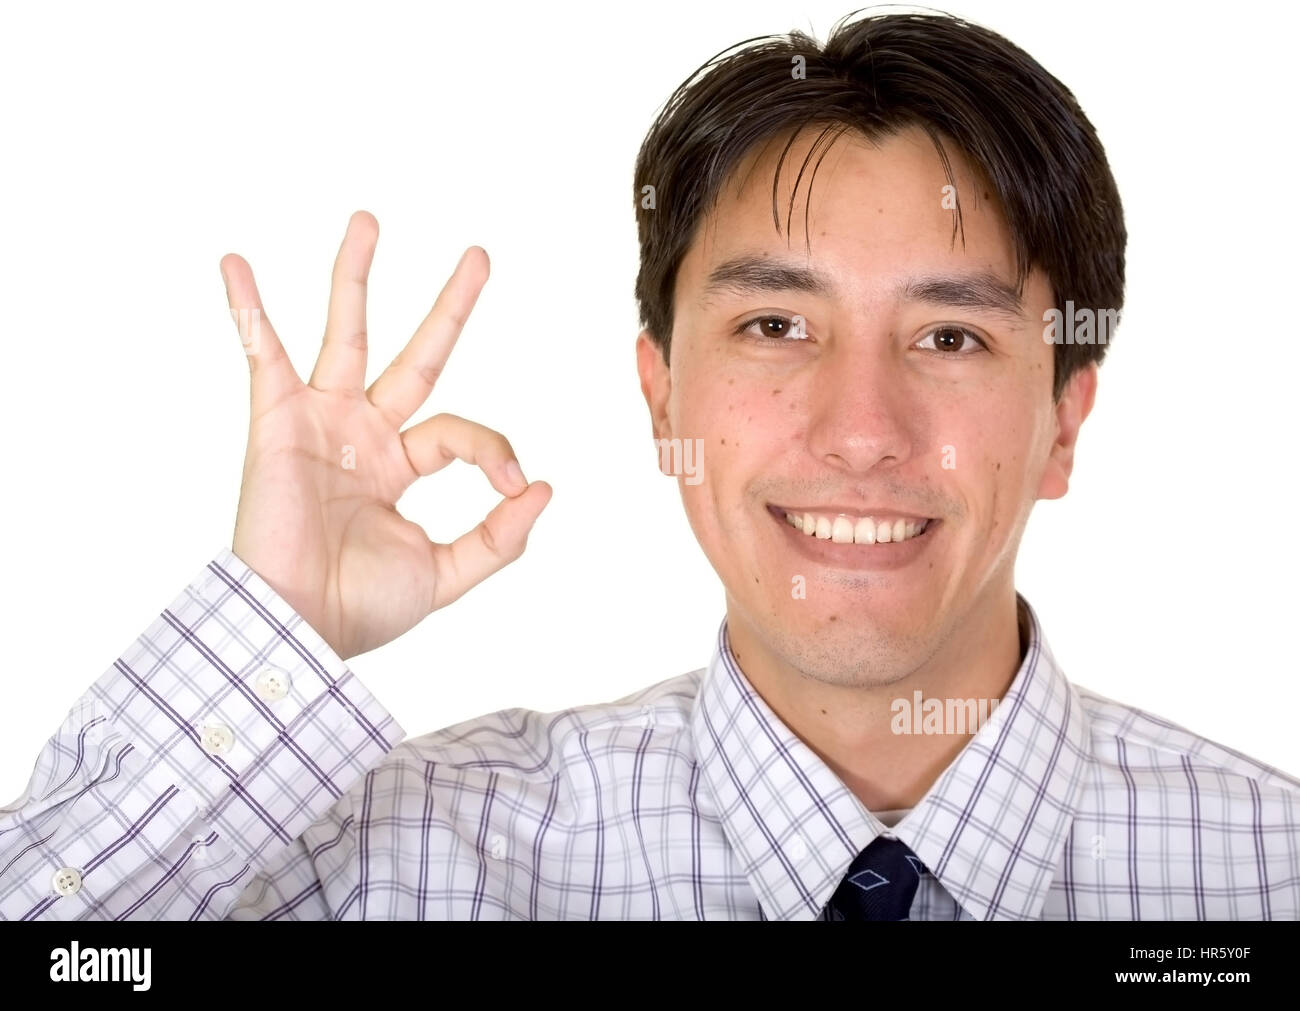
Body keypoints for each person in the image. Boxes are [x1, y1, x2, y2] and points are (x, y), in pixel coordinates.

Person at [1, 10, 1296, 922]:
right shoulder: (422, 865)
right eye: (776, 326)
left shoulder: (1267, 873)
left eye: (950, 335)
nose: (859, 429)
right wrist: (270, 625)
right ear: (661, 391)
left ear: (1065, 419)